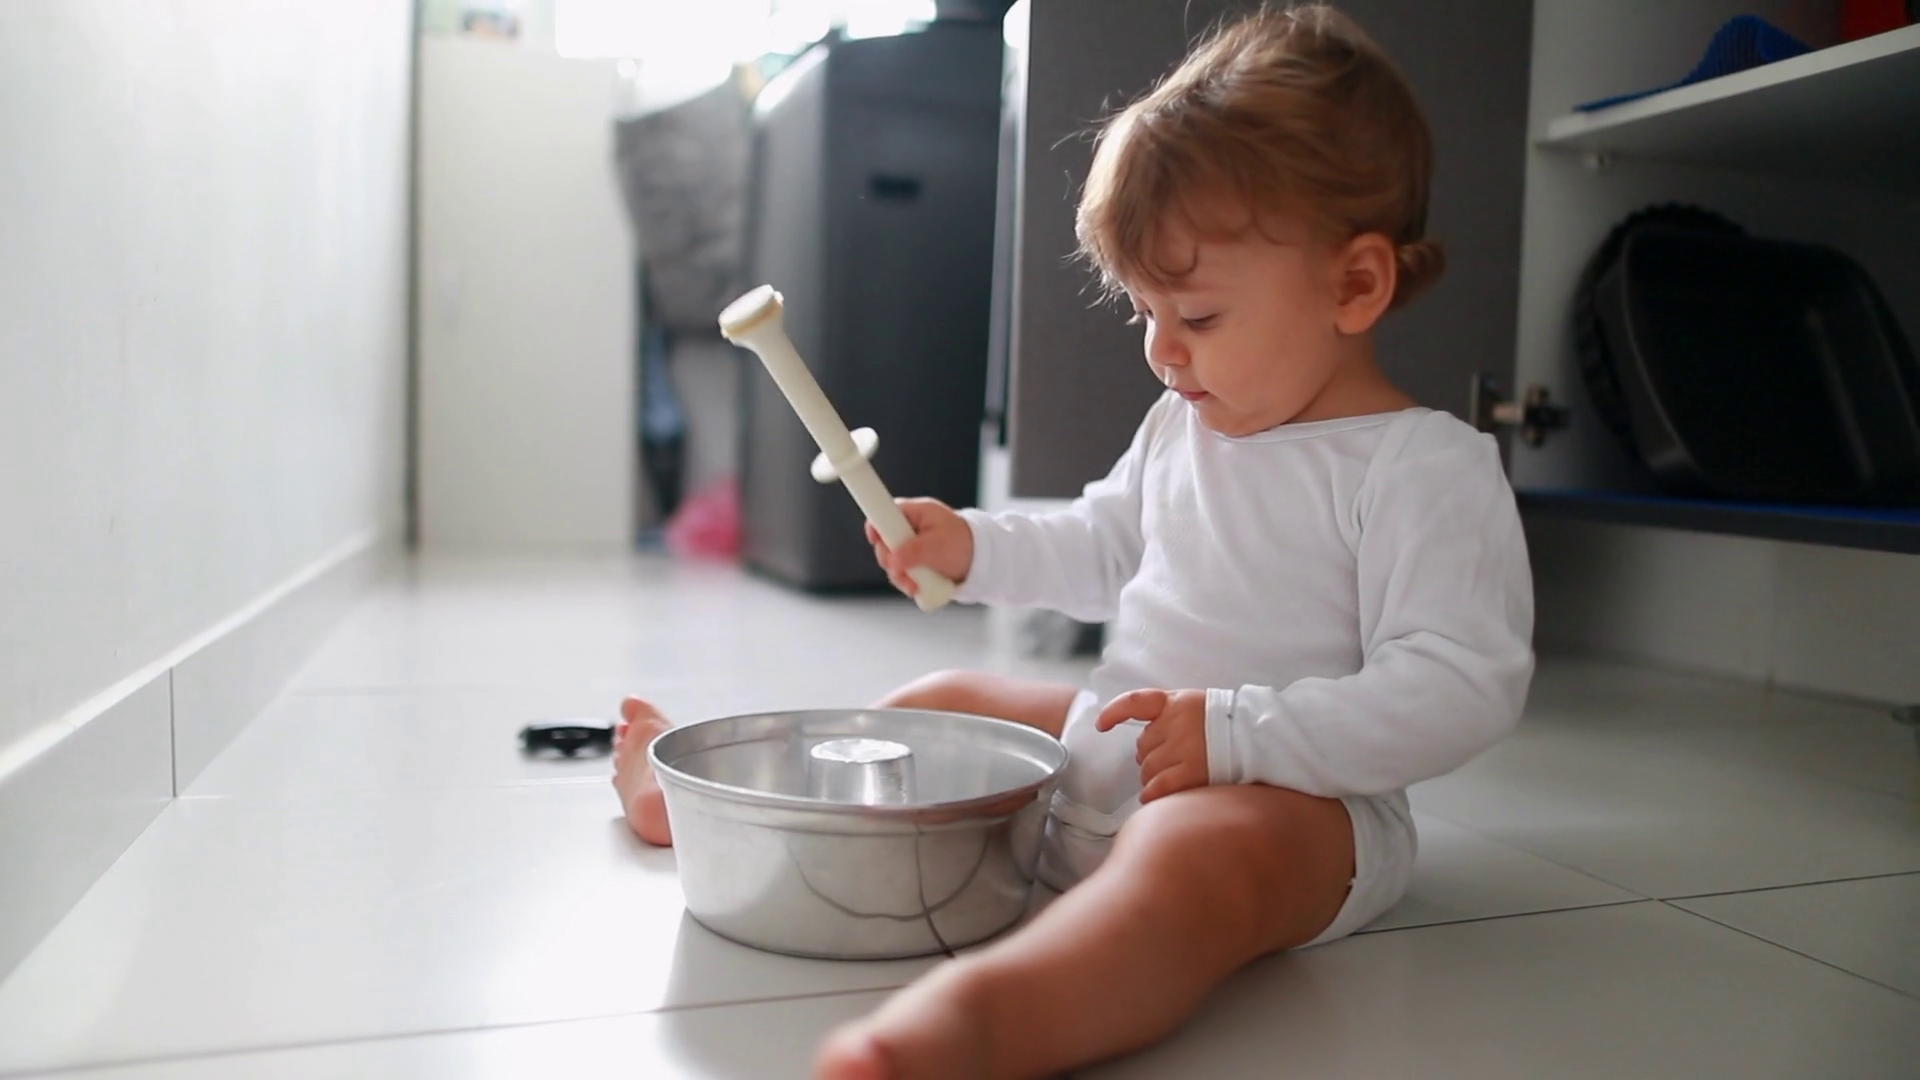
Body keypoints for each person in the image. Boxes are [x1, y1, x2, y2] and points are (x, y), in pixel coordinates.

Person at [613, 6, 1533, 1078]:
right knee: (941, 700)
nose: (1161, 350)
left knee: (1187, 869)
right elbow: (1102, 546)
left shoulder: (1420, 466)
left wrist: (1240, 737)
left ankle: (994, 1021)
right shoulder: (1184, 423)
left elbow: (1459, 687)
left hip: (1295, 802)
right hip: (1121, 738)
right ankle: (723, 819)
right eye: (1145, 310)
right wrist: (971, 547)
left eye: (1196, 314)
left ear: (1356, 285)